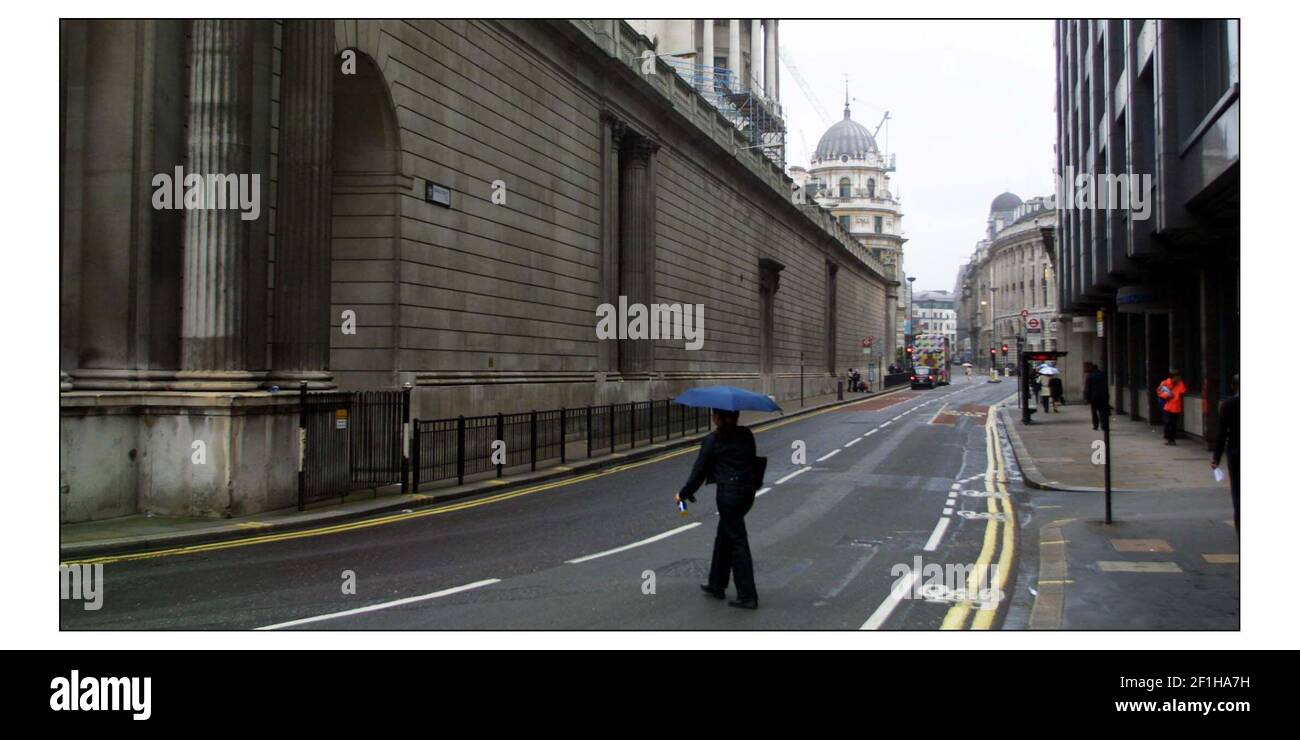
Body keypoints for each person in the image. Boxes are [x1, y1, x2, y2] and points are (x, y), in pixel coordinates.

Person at [675, 408, 760, 609]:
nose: (712, 417)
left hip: (728, 495)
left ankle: (748, 595)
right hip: (747, 493)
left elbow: (699, 471)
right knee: (724, 536)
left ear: (719, 418)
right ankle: (716, 584)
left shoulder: (713, 440)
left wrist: (683, 494)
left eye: (714, 414)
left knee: (738, 541)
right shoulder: (746, 434)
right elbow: (751, 461)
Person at [1212, 374, 1240, 533]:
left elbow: (1222, 434)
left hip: (1236, 452)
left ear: (1232, 386)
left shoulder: (1227, 405)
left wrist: (1216, 457)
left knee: (1238, 490)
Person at [1156, 368, 1188, 445]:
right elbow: (1159, 391)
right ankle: (1168, 437)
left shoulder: (1180, 383)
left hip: (1175, 407)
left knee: (1173, 424)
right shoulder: (1164, 383)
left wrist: (1180, 383)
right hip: (1166, 406)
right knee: (1167, 422)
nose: (1179, 378)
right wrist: (1167, 395)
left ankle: (1172, 440)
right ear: (1173, 377)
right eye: (1178, 376)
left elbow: (1183, 391)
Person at [1083, 361, 1110, 431]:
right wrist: (1107, 396)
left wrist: (1086, 398)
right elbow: (1105, 386)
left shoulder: (1089, 376)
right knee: (1102, 411)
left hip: (1093, 397)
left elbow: (1087, 388)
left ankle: (1095, 425)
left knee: (1094, 412)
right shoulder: (1103, 375)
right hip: (1103, 396)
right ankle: (1103, 425)